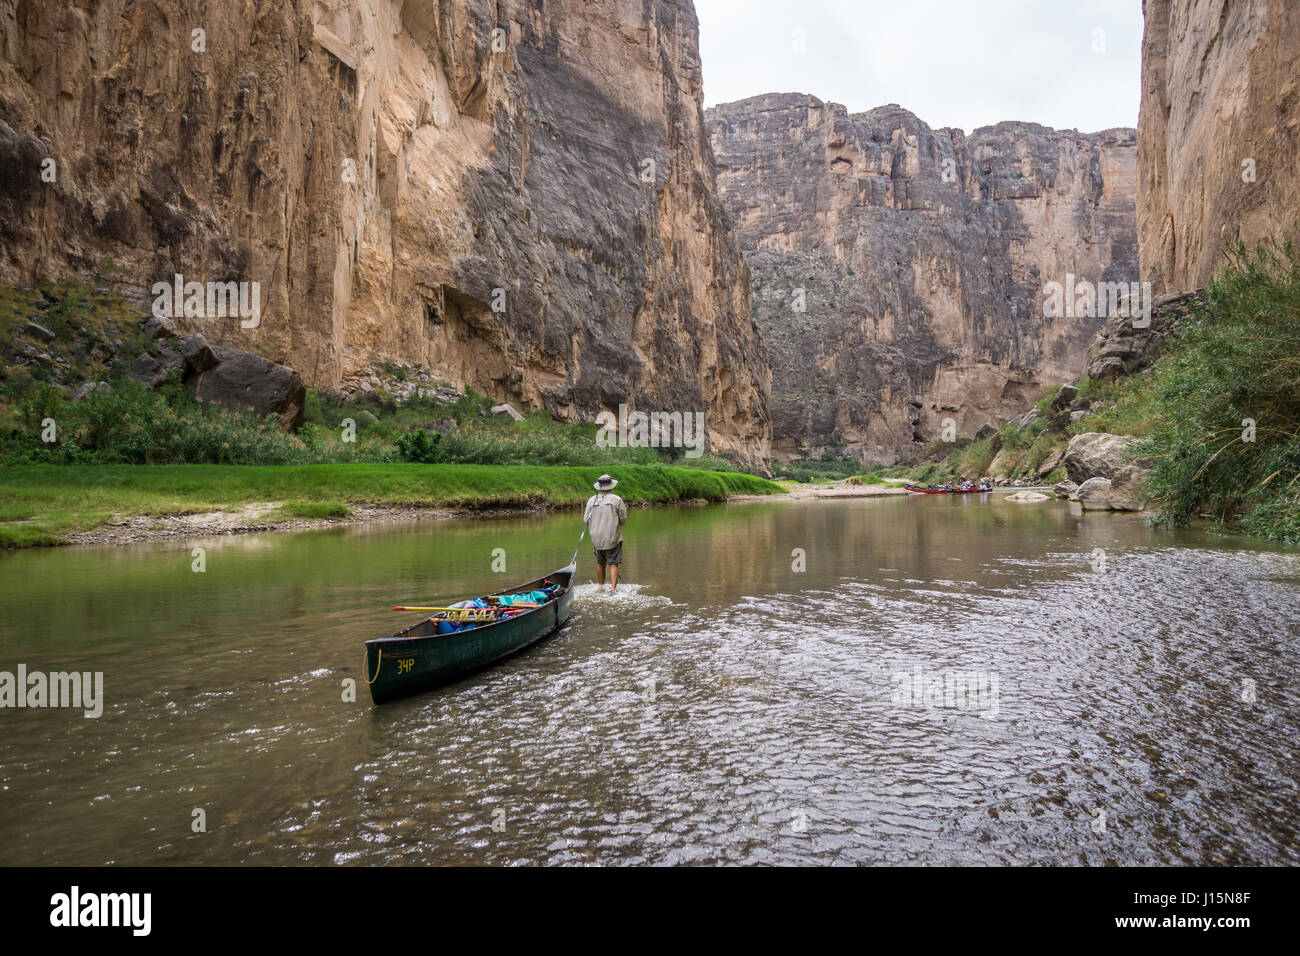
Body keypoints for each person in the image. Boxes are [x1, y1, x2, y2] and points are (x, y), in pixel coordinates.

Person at [584, 474, 627, 592]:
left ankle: (600, 587)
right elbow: (623, 519)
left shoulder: (591, 500)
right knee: (613, 563)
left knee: (600, 563)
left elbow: (586, 521)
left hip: (596, 538)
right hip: (612, 537)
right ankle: (613, 589)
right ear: (611, 486)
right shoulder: (617, 499)